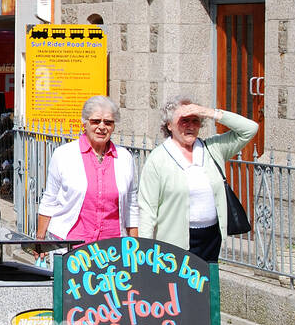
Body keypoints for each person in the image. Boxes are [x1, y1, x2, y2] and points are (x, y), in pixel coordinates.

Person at [137, 97, 259, 264]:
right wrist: (145, 253)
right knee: (178, 289)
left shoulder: (212, 149)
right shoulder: (157, 159)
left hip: (211, 239)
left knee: (208, 289)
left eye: (195, 120)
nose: (190, 125)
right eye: (184, 121)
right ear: (169, 125)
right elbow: (147, 210)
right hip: (174, 245)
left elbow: (250, 129)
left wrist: (209, 112)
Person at [34, 96, 139, 253]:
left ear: (114, 127)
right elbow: (50, 200)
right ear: (84, 123)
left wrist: (134, 247)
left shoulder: (125, 157)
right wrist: (40, 240)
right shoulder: (64, 154)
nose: (102, 127)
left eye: (108, 122)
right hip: (71, 245)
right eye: (96, 121)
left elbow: (131, 205)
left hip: (112, 249)